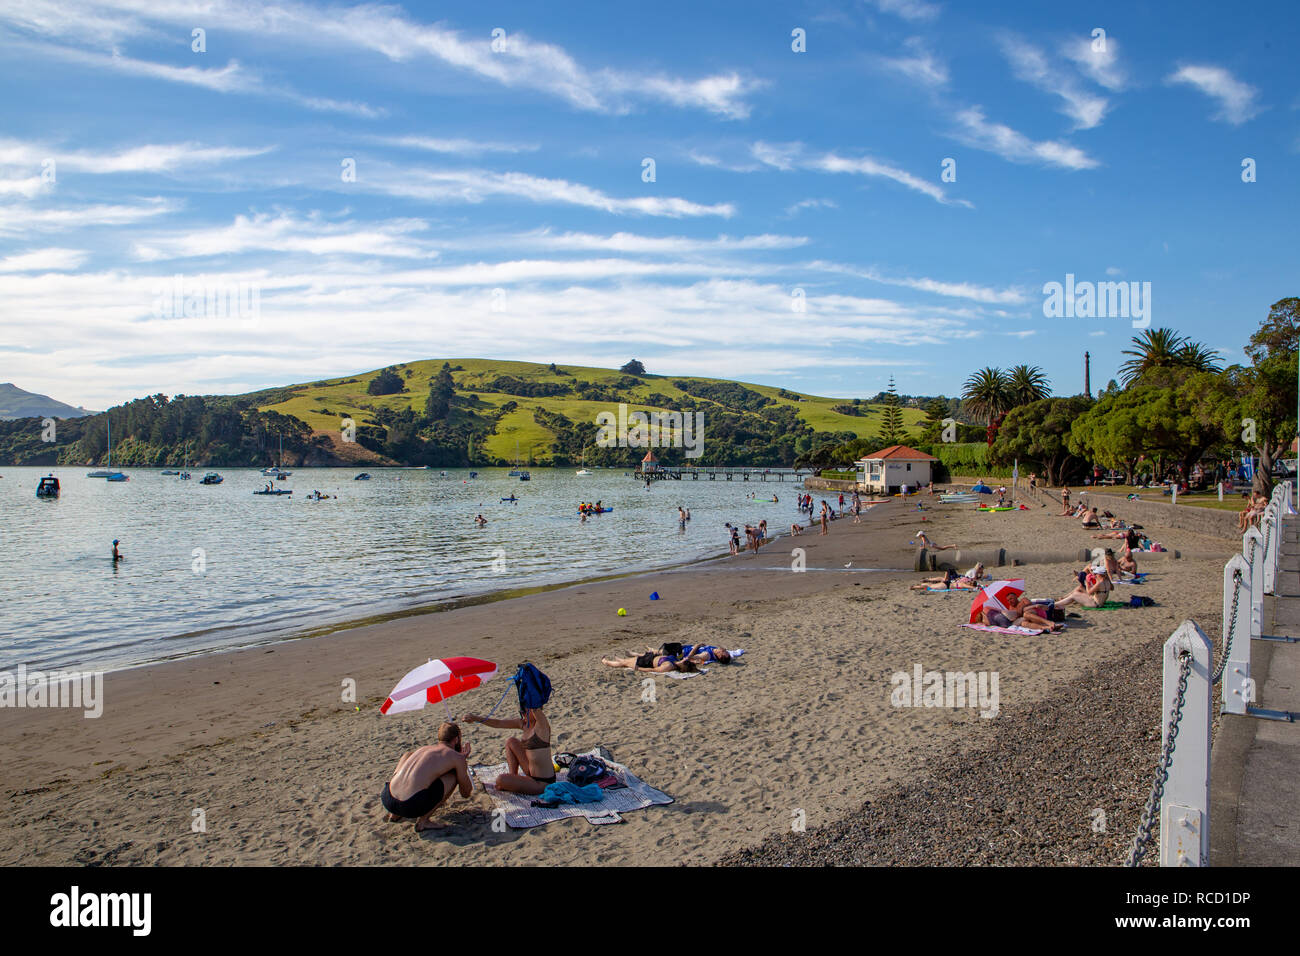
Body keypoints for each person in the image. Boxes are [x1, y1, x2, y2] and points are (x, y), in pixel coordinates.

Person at [381, 723, 473, 833]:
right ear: (456, 739)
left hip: (388, 799)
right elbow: (466, 793)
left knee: (407, 755)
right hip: (410, 805)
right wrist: (462, 763)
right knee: (453, 776)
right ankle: (424, 821)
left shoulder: (423, 749)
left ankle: (395, 814)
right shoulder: (456, 757)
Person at [463, 703, 555, 796]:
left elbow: (534, 704)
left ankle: (512, 782)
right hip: (530, 770)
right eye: (521, 711)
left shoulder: (542, 726)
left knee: (500, 780)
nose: (522, 714)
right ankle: (513, 776)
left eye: (524, 711)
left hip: (542, 782)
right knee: (511, 741)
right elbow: (498, 723)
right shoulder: (523, 724)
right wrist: (475, 718)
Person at [601, 653, 699, 675]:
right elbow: (689, 656)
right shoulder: (677, 660)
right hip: (650, 657)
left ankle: (606, 662)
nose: (685, 660)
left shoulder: (669, 666)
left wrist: (639, 668)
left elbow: (653, 670)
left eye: (685, 662)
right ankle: (617, 660)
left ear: (682, 667)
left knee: (624, 663)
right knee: (625, 661)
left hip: (646, 662)